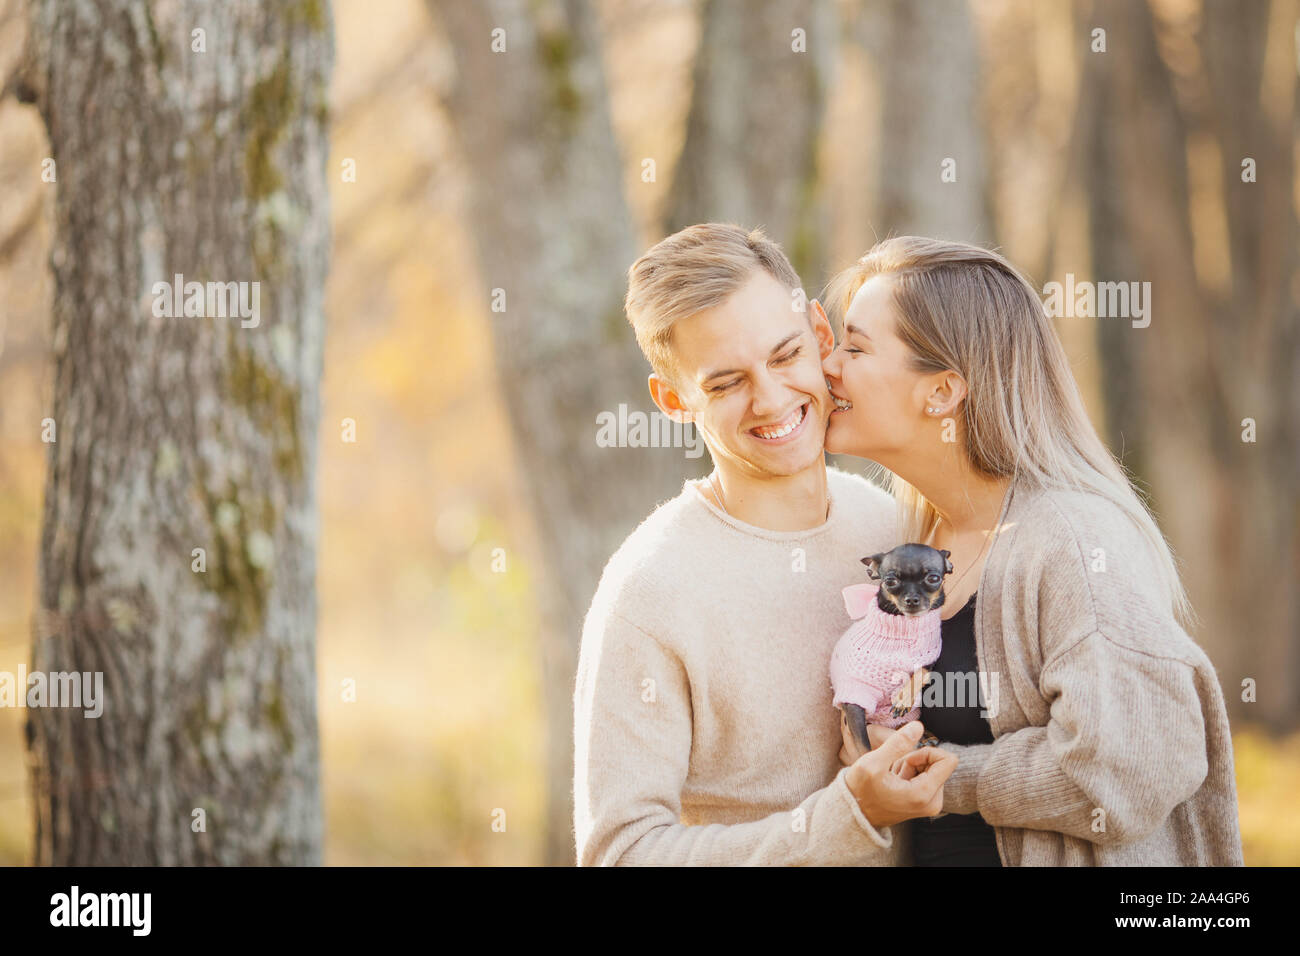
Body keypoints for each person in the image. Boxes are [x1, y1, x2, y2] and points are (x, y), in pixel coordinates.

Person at [821, 236, 1244, 865]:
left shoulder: (1074, 541)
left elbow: (1133, 763)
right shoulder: (914, 538)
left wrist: (943, 777)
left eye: (854, 348)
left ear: (941, 392)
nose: (829, 365)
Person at [573, 223, 955, 866]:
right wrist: (846, 816)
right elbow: (621, 854)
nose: (772, 399)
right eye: (725, 384)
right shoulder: (649, 593)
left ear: (821, 335)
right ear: (674, 400)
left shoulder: (896, 526)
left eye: (785, 356)